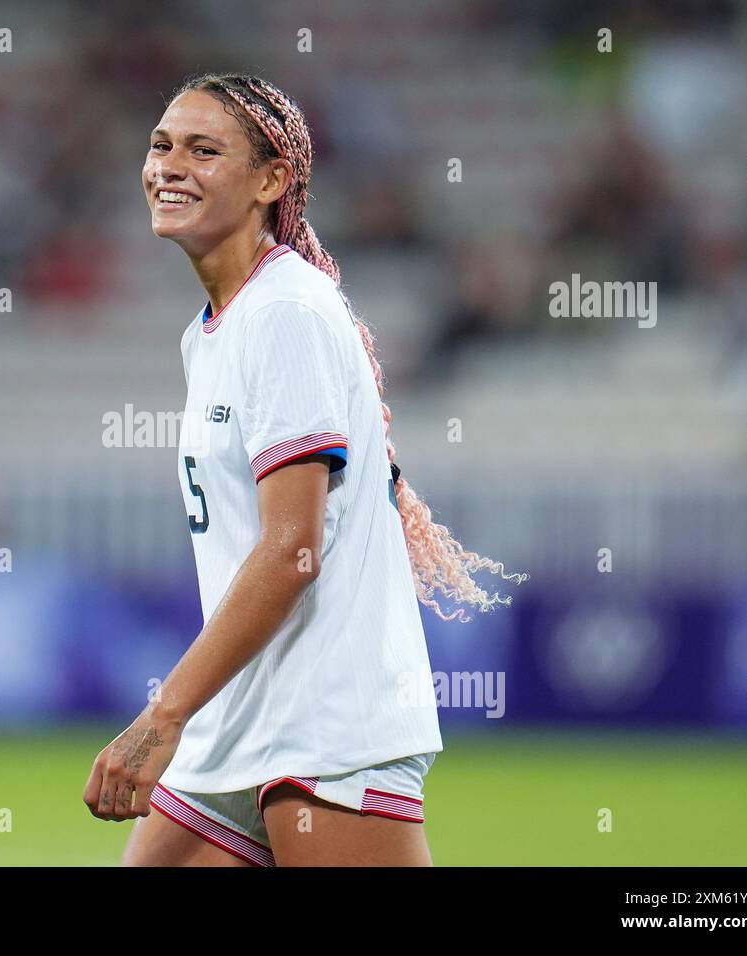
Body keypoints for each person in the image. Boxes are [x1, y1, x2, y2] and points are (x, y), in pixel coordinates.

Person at [83, 73, 525, 866]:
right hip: (240, 716)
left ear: (271, 180)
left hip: (328, 720)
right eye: (160, 146)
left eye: (203, 150)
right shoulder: (214, 330)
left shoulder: (287, 312)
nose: (169, 166)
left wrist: (163, 715)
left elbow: (293, 548)